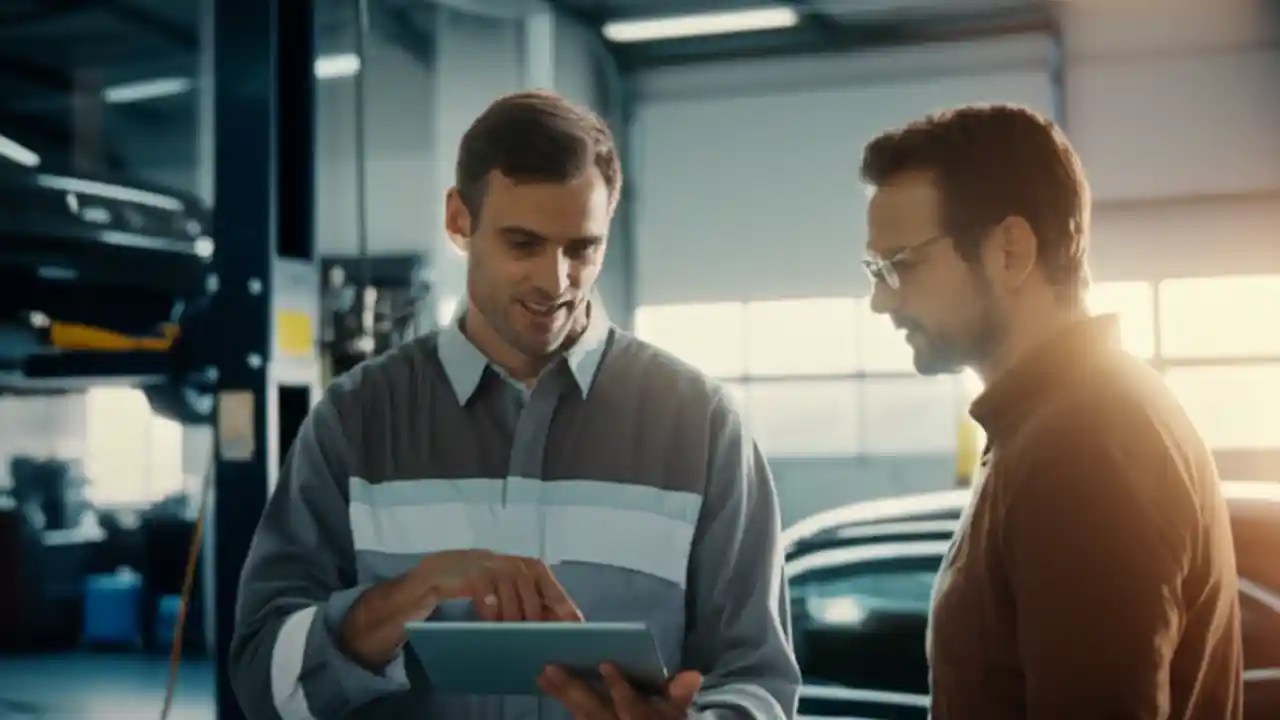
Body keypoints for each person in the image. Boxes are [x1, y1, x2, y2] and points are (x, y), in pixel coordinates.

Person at [228, 89, 801, 720]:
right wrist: (412, 593)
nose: (556, 282)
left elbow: (757, 679)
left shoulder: (702, 427)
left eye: (582, 248)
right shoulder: (355, 421)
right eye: (524, 243)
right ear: (458, 221)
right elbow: (263, 681)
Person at [858, 104, 1243, 719]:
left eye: (901, 265)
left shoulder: (1087, 444)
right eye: (875, 270)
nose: (881, 300)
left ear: (1010, 252)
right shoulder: (1058, 421)